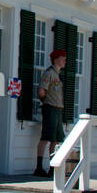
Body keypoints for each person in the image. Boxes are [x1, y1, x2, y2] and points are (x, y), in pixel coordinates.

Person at [34, 49, 70, 177]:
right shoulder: (49, 73)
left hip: (58, 110)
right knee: (46, 137)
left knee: (55, 139)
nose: (65, 60)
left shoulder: (57, 75)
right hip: (50, 108)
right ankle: (38, 167)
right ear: (56, 59)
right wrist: (47, 103)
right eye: (63, 58)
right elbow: (42, 91)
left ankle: (52, 168)